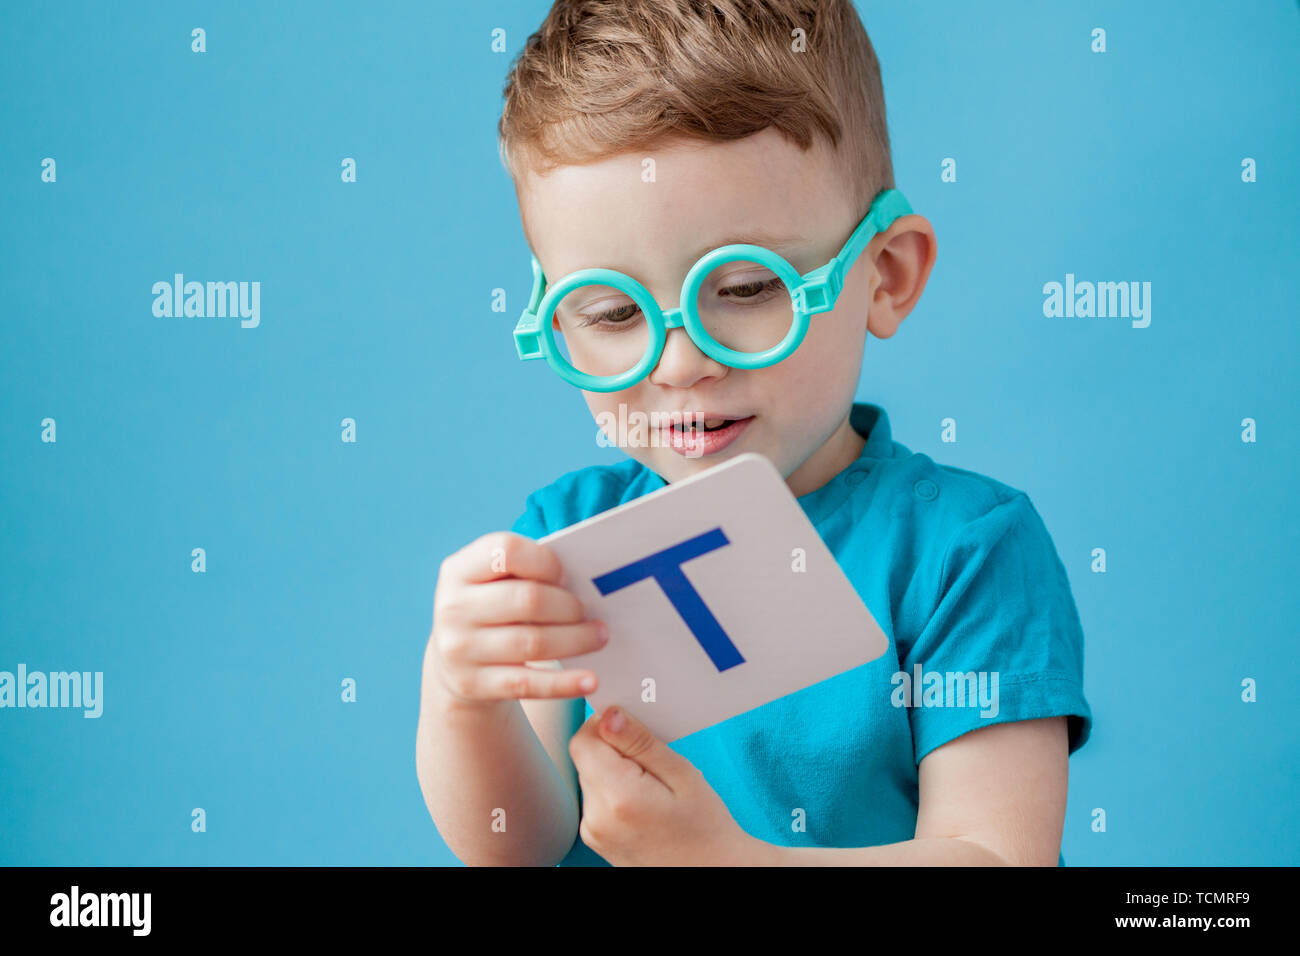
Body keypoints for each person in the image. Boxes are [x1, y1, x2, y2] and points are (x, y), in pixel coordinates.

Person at [416, 0, 1092, 866]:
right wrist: (460, 696)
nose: (680, 363)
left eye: (743, 290)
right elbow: (516, 848)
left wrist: (731, 862)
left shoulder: (964, 551)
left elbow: (994, 855)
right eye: (613, 312)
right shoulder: (561, 540)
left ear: (883, 276)